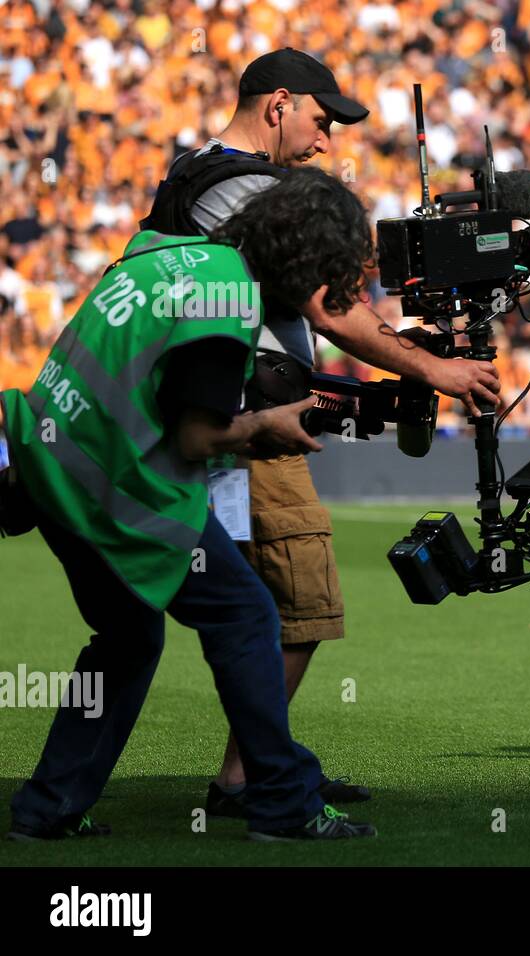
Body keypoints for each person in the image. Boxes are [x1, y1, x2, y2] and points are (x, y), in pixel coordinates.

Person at [138, 48, 501, 819]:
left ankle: (253, 772)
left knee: (259, 609)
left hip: (232, 418)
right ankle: (254, 780)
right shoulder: (235, 184)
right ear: (278, 104)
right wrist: (438, 373)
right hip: (237, 426)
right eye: (321, 118)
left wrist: (403, 347)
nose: (327, 139)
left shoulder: (197, 170)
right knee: (300, 602)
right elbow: (329, 307)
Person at [1, 168, 377, 840]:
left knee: (128, 637)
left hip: (46, 458)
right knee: (244, 614)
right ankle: (282, 805)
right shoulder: (226, 295)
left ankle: (47, 808)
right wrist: (265, 427)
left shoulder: (165, 251)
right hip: (110, 487)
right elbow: (198, 434)